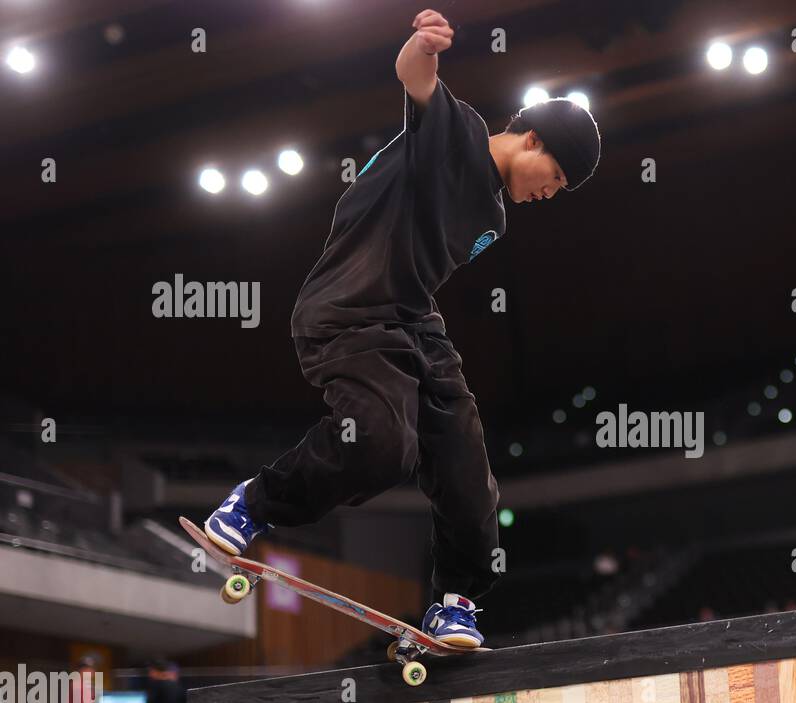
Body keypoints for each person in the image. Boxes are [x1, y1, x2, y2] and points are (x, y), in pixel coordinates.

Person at [200, 10, 600, 649]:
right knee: (382, 445)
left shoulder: (495, 218)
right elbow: (416, 79)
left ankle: (455, 601)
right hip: (349, 310)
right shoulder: (457, 132)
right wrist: (423, 46)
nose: (549, 195)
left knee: (468, 469)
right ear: (531, 140)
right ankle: (253, 503)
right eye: (554, 179)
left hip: (415, 325)